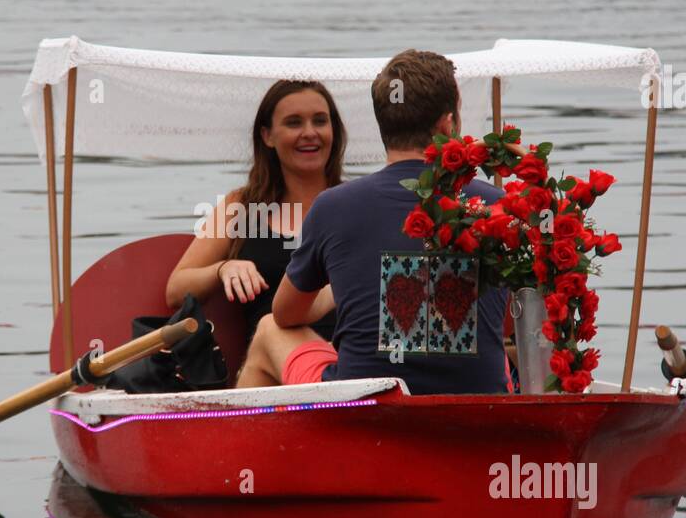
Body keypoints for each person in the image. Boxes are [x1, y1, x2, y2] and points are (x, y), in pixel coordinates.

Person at [236, 50, 509, 394]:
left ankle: (251, 445)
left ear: (382, 124)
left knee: (267, 331)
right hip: (479, 402)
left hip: (367, 402)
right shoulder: (498, 205)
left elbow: (285, 315)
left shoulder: (334, 206)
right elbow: (515, 319)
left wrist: (347, 285)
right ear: (448, 124)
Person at [165, 79, 344, 346]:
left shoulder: (356, 202)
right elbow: (176, 290)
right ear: (267, 136)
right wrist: (223, 269)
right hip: (270, 367)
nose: (309, 132)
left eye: (320, 121)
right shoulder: (241, 207)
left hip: (348, 362)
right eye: (294, 123)